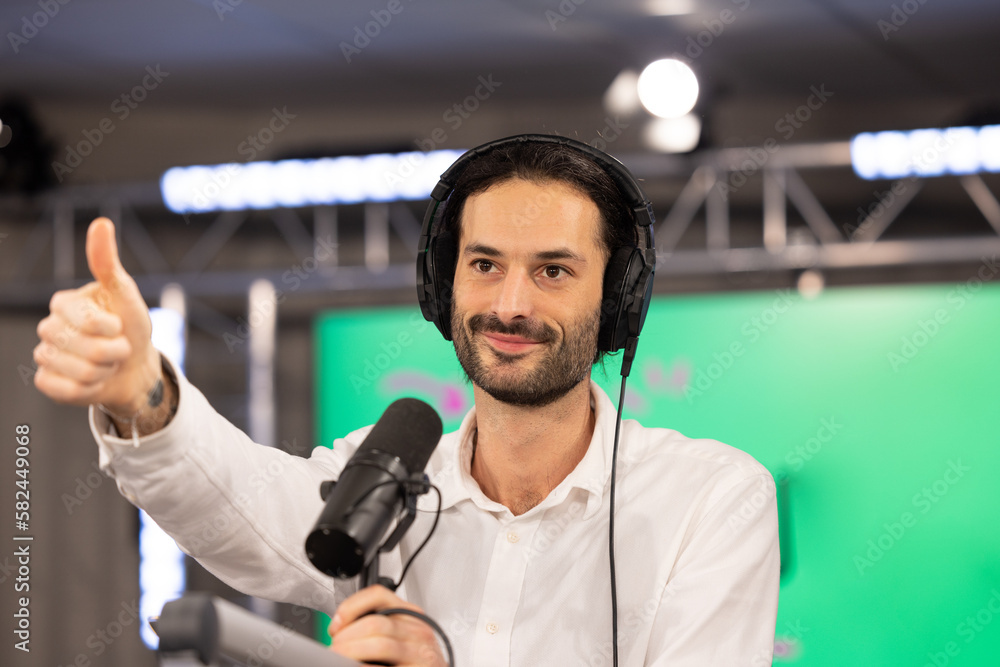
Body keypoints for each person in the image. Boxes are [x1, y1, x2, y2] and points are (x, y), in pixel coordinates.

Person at [34, 136, 779, 666]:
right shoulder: (379, 476)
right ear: (440, 284)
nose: (510, 304)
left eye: (553, 270)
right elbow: (234, 504)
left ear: (617, 301)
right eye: (484, 264)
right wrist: (145, 395)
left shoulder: (712, 498)